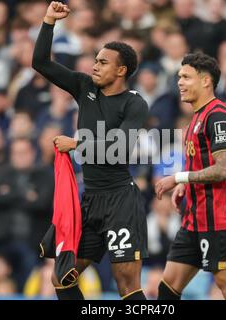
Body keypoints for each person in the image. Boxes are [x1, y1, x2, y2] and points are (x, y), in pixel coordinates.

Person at [32, 2, 149, 300]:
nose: (94, 65)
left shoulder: (134, 104)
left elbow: (121, 146)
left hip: (121, 200)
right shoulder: (84, 87)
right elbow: (41, 63)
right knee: (62, 277)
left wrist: (77, 144)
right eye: (95, 60)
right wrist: (48, 22)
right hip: (91, 200)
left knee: (126, 285)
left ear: (121, 70)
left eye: (103, 62)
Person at [155, 52, 226, 300]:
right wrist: (186, 187)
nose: (180, 82)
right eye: (179, 77)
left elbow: (223, 169)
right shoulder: (196, 117)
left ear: (206, 81)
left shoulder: (218, 116)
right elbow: (201, 162)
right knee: (168, 287)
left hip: (218, 219)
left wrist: (180, 178)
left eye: (186, 77)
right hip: (193, 220)